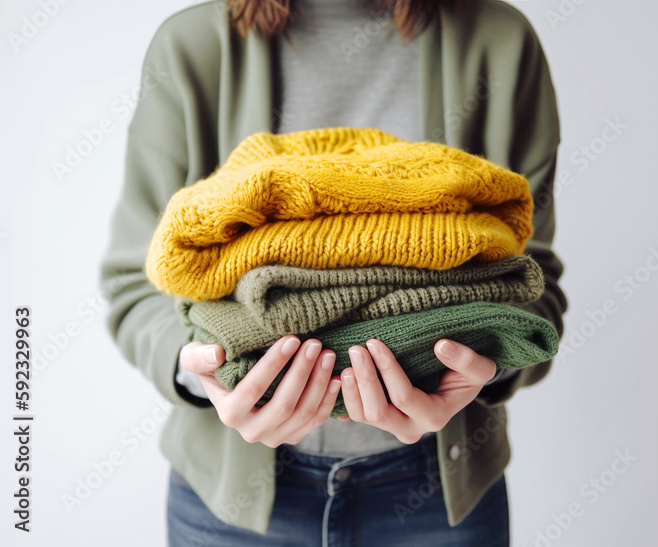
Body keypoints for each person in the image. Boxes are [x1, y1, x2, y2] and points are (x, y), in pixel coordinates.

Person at [98, 0, 567, 544]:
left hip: (439, 503)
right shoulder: (192, 46)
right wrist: (204, 372)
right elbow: (136, 280)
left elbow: (533, 282)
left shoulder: (500, 41)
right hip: (230, 508)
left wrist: (484, 365)